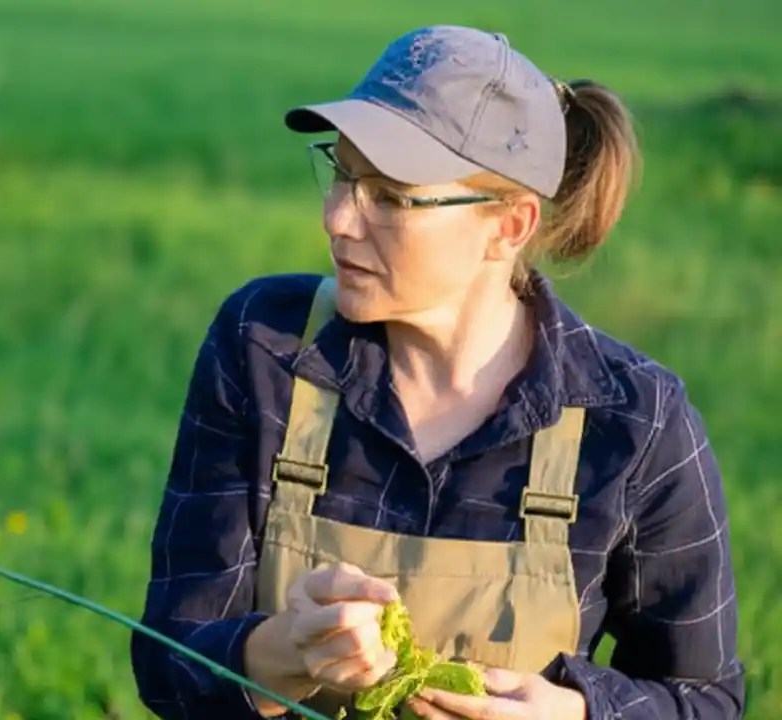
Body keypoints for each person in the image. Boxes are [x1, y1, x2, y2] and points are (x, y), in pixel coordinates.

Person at [130, 24, 745, 720]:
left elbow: (706, 700)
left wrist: (575, 712)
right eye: (341, 173)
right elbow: (167, 659)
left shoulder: (635, 421)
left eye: (390, 197)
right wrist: (285, 653)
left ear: (509, 226)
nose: (337, 217)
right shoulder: (265, 348)